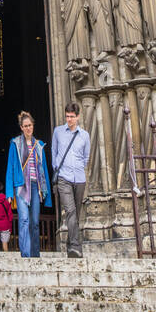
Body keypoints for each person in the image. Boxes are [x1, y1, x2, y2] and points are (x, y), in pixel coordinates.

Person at [5, 111, 51, 259]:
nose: (28, 128)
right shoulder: (15, 144)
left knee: (35, 222)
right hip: (21, 187)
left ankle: (35, 254)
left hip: (35, 187)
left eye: (30, 125)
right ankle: (25, 255)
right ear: (21, 127)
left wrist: (47, 192)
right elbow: (10, 168)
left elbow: (43, 169)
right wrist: (9, 193)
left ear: (33, 126)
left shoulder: (39, 145)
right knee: (24, 220)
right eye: (25, 126)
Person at [51, 102, 91, 259]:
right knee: (70, 211)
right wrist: (57, 167)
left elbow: (86, 156)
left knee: (75, 214)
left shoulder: (85, 135)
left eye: (72, 117)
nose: (69, 119)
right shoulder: (58, 132)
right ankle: (75, 247)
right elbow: (54, 151)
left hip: (79, 178)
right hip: (64, 178)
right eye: (67, 116)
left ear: (78, 117)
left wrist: (80, 167)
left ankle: (70, 245)